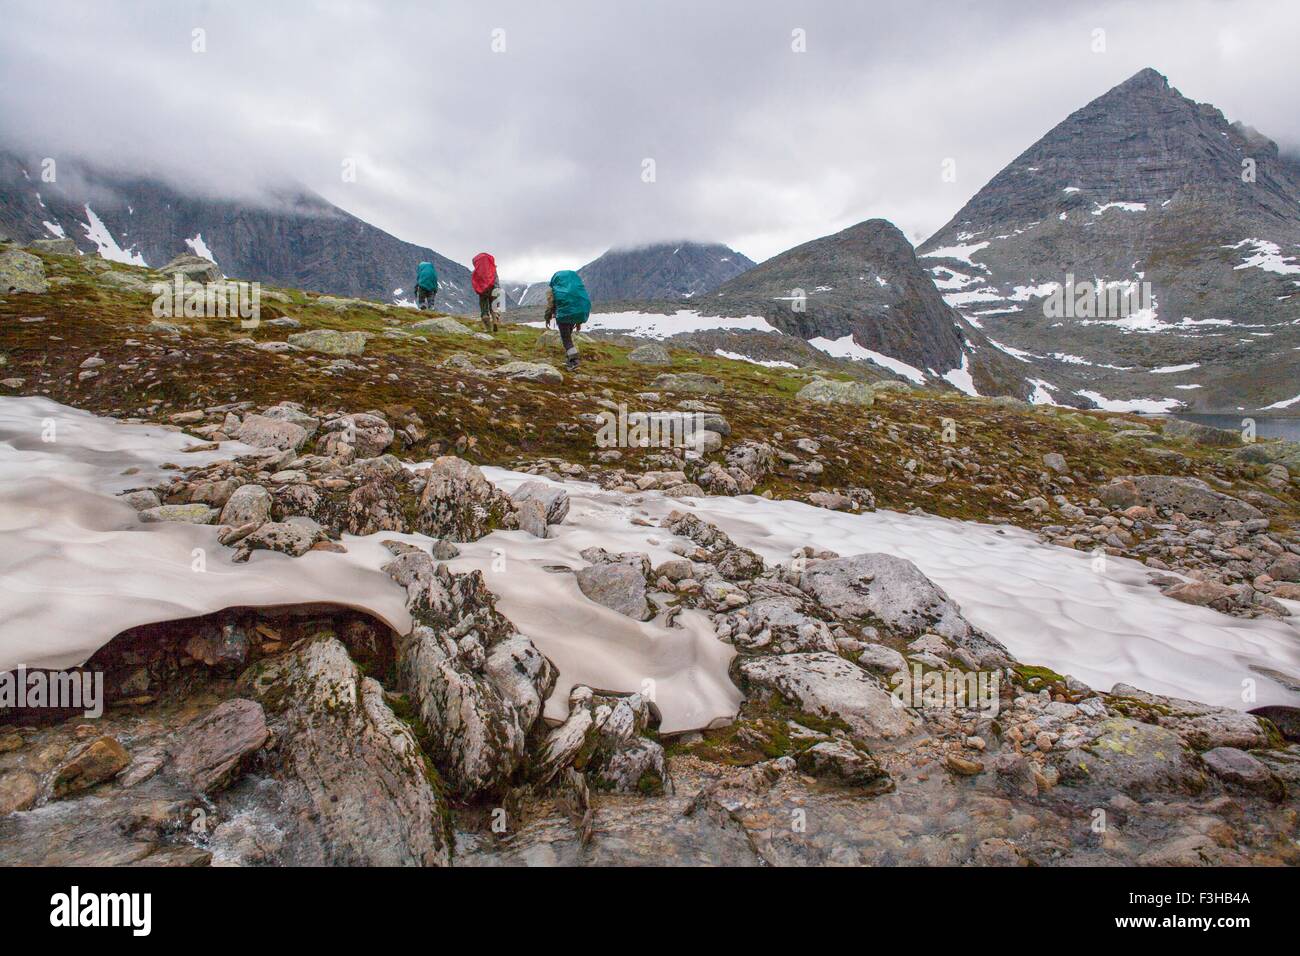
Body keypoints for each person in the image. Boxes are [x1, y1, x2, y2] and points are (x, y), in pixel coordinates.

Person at [544, 269, 591, 371]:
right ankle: (569, 358)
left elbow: (551, 305)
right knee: (568, 335)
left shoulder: (555, 290)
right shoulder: (576, 289)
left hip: (564, 315)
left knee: (566, 339)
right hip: (576, 315)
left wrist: (547, 318)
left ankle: (574, 361)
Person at [471, 252, 500, 332]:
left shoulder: (476, 271)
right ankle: (495, 321)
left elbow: (475, 282)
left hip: (483, 291)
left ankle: (487, 327)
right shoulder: (493, 268)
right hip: (495, 289)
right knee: (494, 307)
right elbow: (497, 281)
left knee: (484, 307)